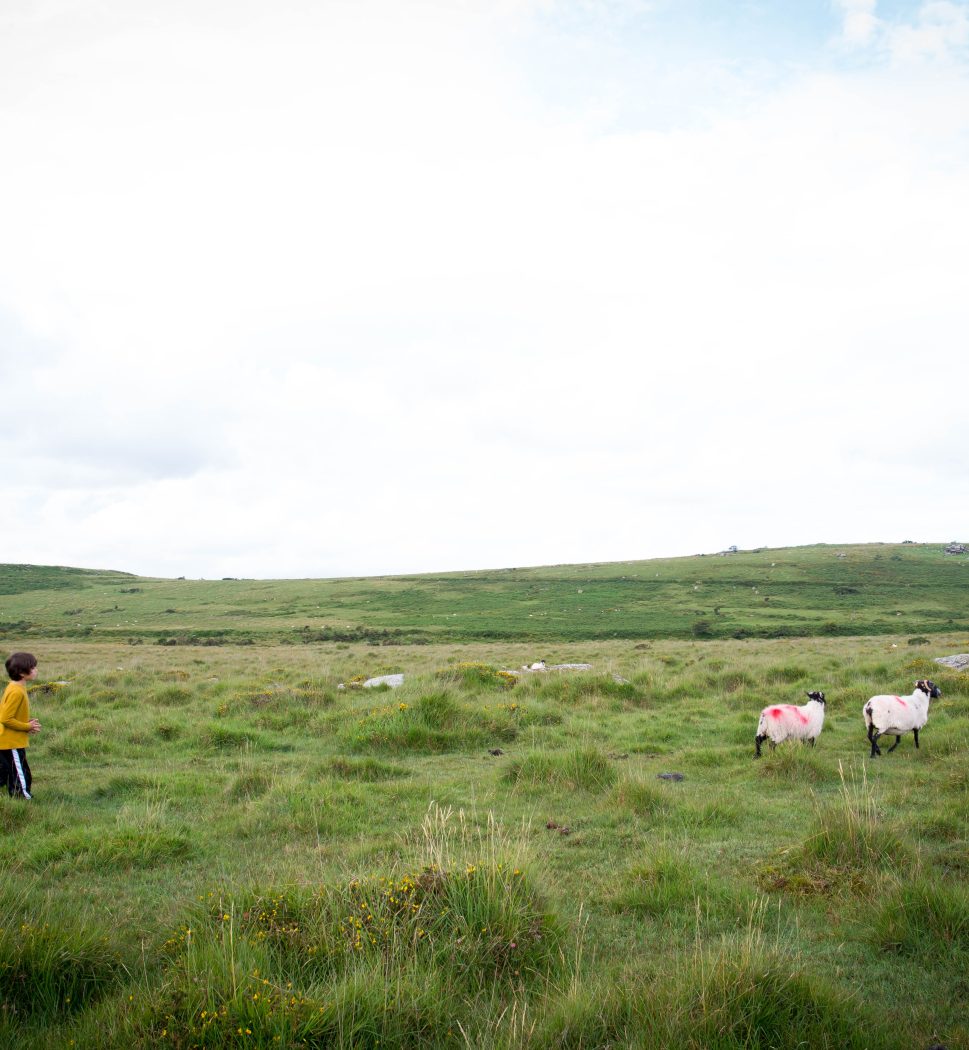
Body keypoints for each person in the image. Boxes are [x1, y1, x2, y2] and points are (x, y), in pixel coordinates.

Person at [0, 651, 41, 799]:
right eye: (33, 667)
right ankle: (23, 798)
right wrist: (26, 727)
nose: (36, 670)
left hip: (9, 740)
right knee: (20, 772)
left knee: (7, 771)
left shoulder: (15, 686)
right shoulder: (16, 691)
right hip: (10, 742)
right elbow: (5, 718)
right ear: (22, 673)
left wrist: (25, 722)